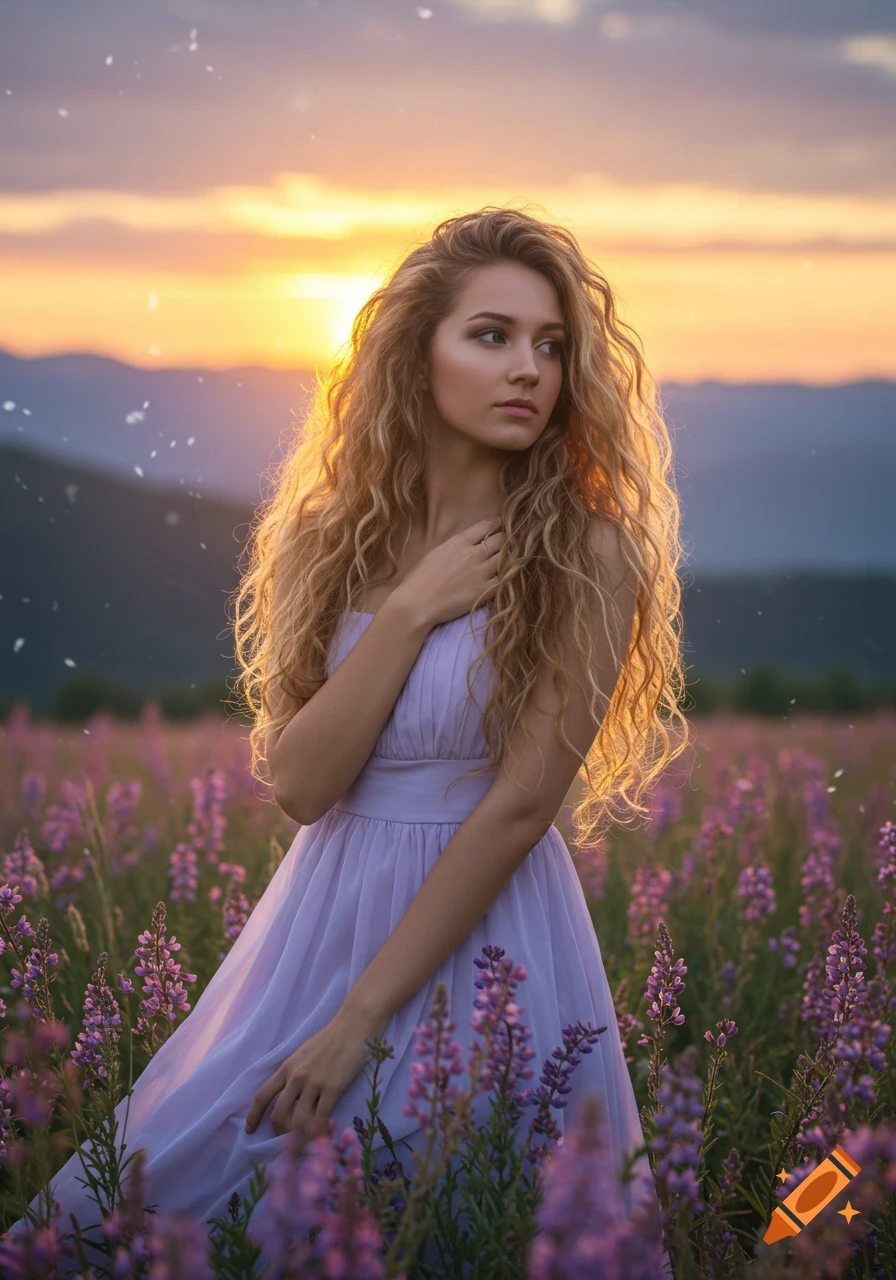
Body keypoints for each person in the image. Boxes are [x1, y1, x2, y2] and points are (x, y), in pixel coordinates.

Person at [4, 206, 687, 1274]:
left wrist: (361, 1016)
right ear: (415, 356)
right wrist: (412, 606)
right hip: (316, 923)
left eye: (551, 346)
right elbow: (303, 784)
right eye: (491, 335)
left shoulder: (588, 550)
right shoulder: (327, 538)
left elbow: (520, 801)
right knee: (161, 1192)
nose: (531, 370)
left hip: (490, 927)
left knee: (456, 1208)